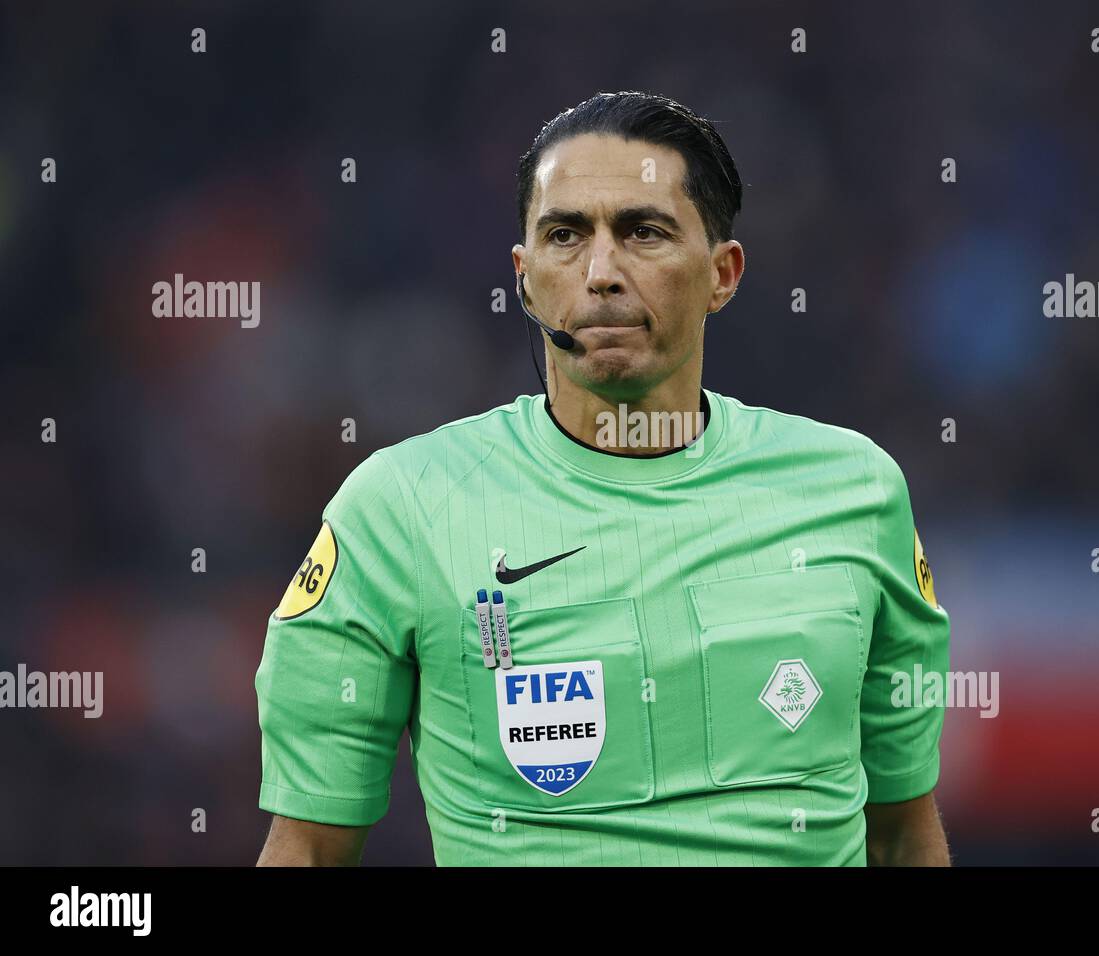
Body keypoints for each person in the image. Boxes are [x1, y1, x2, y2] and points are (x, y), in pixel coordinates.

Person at [255, 91, 951, 866]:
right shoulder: (402, 510)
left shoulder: (853, 493)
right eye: (564, 236)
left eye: (643, 232)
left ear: (723, 274)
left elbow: (900, 832)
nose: (601, 273)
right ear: (523, 278)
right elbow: (309, 848)